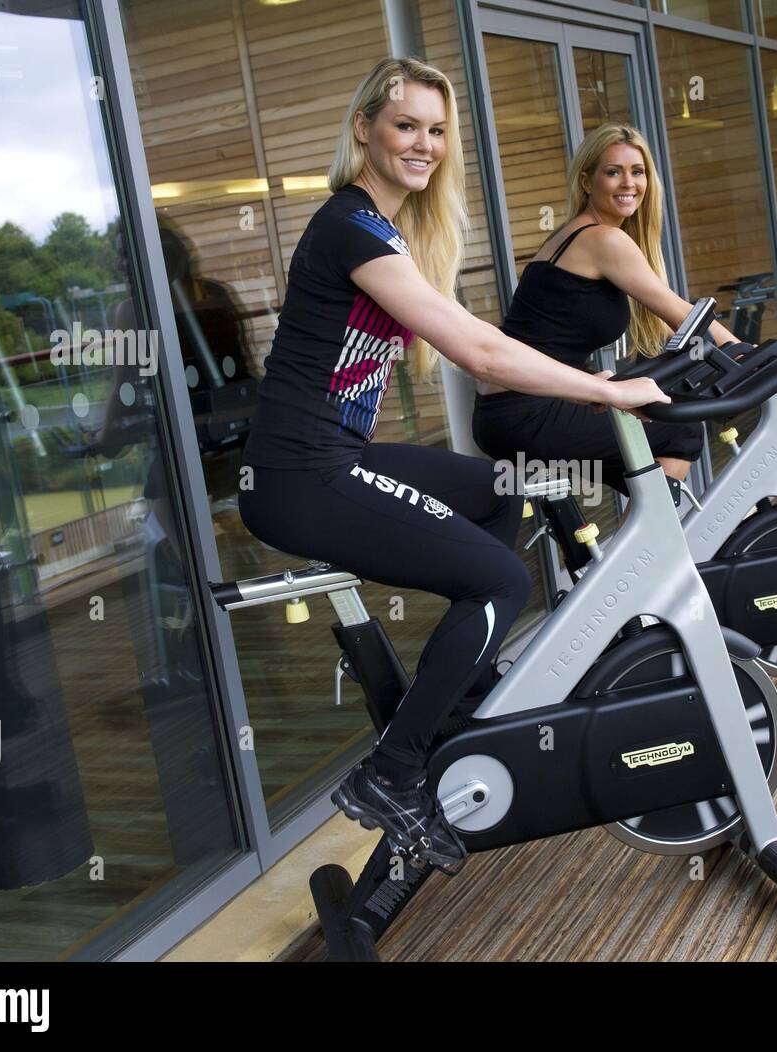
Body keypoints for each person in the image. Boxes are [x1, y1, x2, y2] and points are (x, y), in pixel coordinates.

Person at [236, 59, 666, 868]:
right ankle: (392, 773)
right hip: (299, 475)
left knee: (497, 492)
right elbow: (477, 350)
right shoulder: (350, 225)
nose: (423, 144)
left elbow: (484, 347)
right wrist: (607, 393)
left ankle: (462, 691)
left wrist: (597, 382)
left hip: (331, 456)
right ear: (364, 128)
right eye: (406, 125)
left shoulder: (391, 232)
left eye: (437, 131)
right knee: (500, 582)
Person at [472, 122, 742, 496]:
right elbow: (678, 312)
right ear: (587, 182)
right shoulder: (603, 240)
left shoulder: (575, 234)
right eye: (613, 172)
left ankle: (638, 547)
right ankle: (649, 555)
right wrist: (745, 356)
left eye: (638, 172)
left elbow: (670, 325)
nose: (628, 183)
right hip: (527, 410)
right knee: (681, 430)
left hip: (510, 410)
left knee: (648, 475)